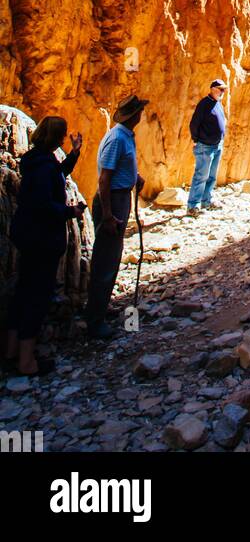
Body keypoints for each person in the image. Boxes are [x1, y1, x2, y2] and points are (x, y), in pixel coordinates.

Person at [3, 117, 86, 376]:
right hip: (41, 240)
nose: (63, 140)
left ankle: (12, 351)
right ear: (55, 138)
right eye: (61, 137)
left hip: (29, 237)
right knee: (36, 298)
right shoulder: (42, 165)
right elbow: (43, 204)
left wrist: (74, 154)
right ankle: (27, 361)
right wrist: (70, 210)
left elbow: (58, 174)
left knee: (23, 292)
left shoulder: (37, 160)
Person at [84, 95, 148, 341]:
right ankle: (95, 321)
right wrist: (109, 215)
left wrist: (136, 177)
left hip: (120, 197)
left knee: (110, 257)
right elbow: (104, 179)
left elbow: (120, 166)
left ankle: (99, 308)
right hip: (113, 200)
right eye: (140, 111)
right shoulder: (118, 139)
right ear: (135, 115)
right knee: (106, 259)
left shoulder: (123, 136)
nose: (142, 114)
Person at [187, 79, 227, 216]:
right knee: (201, 176)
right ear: (213, 89)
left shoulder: (218, 104)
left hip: (217, 145)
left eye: (224, 90)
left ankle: (206, 201)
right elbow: (194, 124)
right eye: (220, 89)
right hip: (205, 146)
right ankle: (193, 206)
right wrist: (196, 140)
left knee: (211, 176)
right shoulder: (204, 104)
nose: (223, 92)